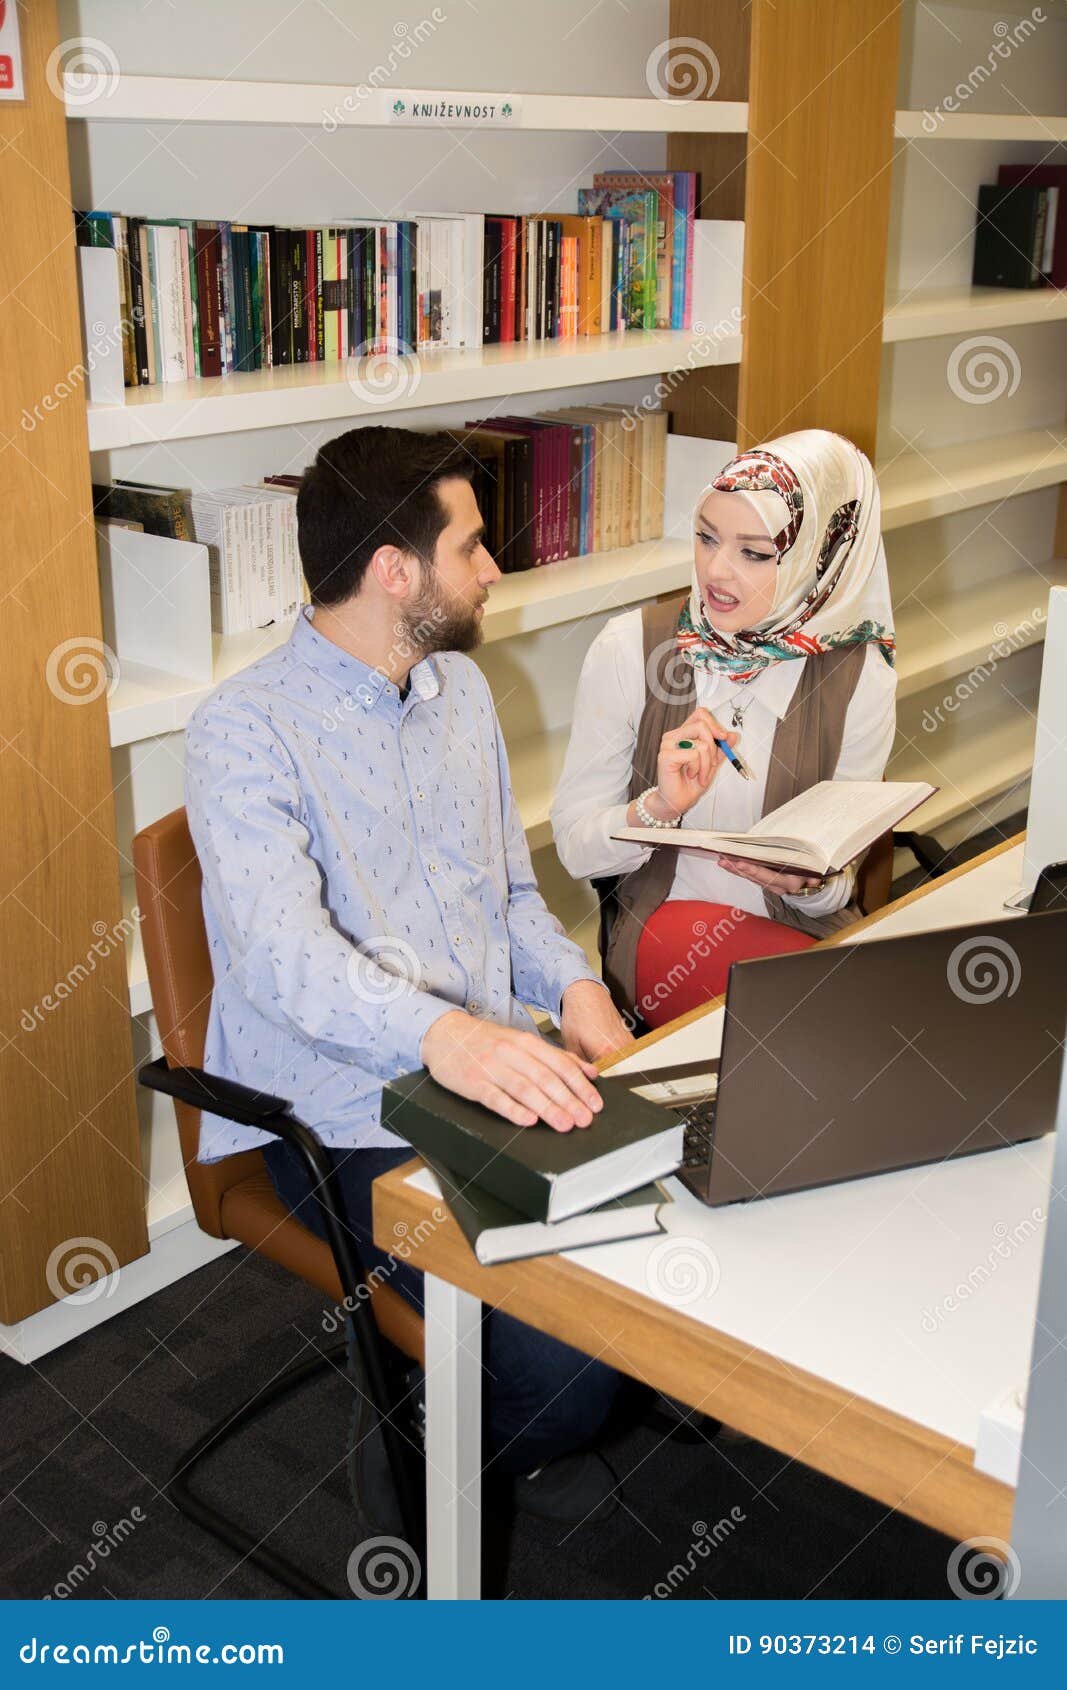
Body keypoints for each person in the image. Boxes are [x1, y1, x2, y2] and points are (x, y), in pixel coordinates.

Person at [184, 424, 632, 1531]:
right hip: (351, 1117)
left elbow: (511, 898)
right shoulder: (241, 732)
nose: (493, 570)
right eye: (472, 547)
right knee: (572, 1378)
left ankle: (478, 1389)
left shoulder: (457, 695)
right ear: (396, 571)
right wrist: (449, 1038)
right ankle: (434, 1444)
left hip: (498, 1066)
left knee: (675, 1249)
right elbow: (288, 962)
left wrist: (577, 991)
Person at [551, 428, 897, 1029]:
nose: (715, 570)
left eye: (754, 553)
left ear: (822, 555)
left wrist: (806, 884)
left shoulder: (859, 673)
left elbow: (840, 887)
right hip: (664, 937)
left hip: (801, 938)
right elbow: (576, 851)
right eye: (706, 537)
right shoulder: (631, 647)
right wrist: (657, 809)